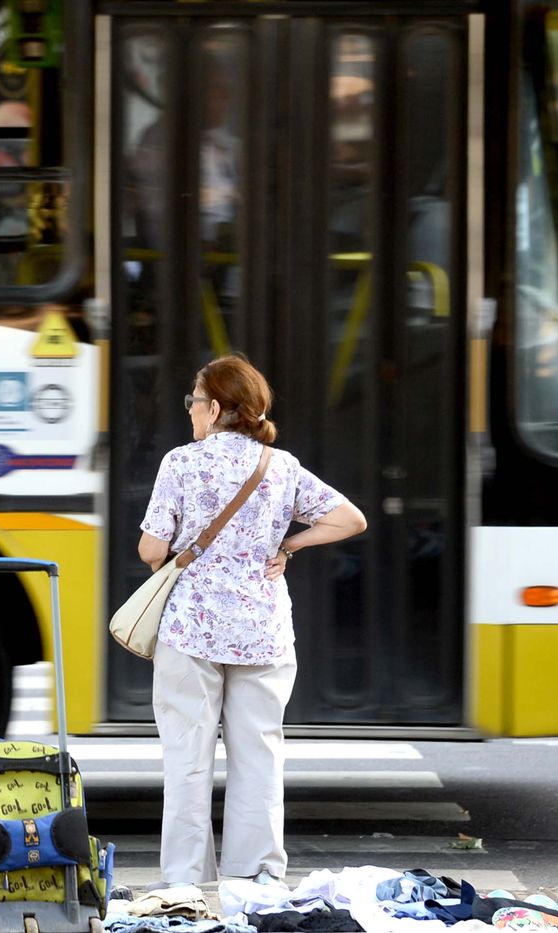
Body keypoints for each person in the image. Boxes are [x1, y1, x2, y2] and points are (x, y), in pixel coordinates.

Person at [136, 355, 366, 887]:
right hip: (263, 633)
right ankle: (256, 879)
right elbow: (349, 519)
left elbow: (152, 548)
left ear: (214, 407)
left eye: (193, 402)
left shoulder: (181, 463)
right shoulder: (280, 466)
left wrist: (172, 555)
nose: (190, 412)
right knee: (259, 758)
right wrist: (292, 543)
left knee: (188, 760)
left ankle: (186, 880)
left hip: (190, 632)